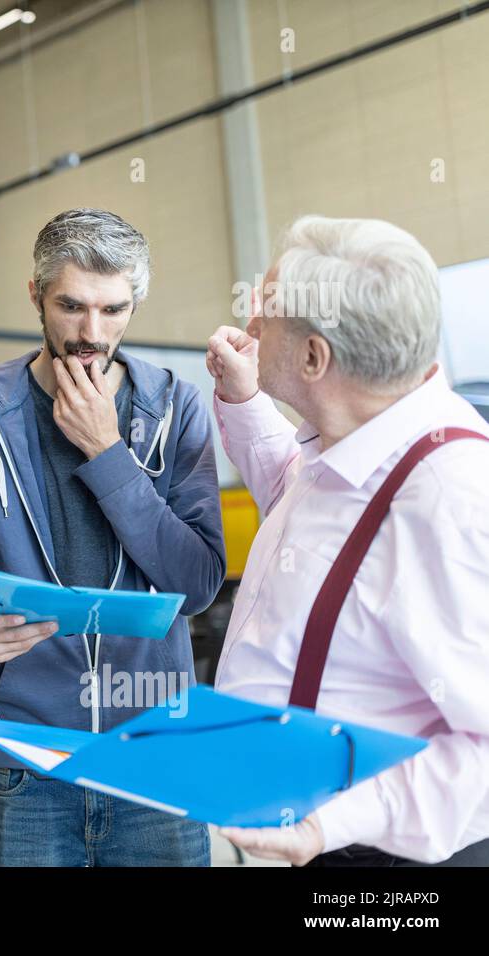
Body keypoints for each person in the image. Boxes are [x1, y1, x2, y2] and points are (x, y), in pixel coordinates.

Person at [0, 207, 225, 866]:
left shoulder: (175, 408)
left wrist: (107, 451)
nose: (92, 333)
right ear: (35, 295)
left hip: (154, 753)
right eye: (72, 307)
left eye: (114, 310)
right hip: (26, 760)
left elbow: (197, 584)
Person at [206, 215, 489, 866]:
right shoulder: (362, 435)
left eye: (266, 316)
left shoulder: (451, 504)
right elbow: (308, 505)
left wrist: (329, 823)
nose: (250, 329)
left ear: (313, 358)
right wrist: (244, 399)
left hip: (389, 854)